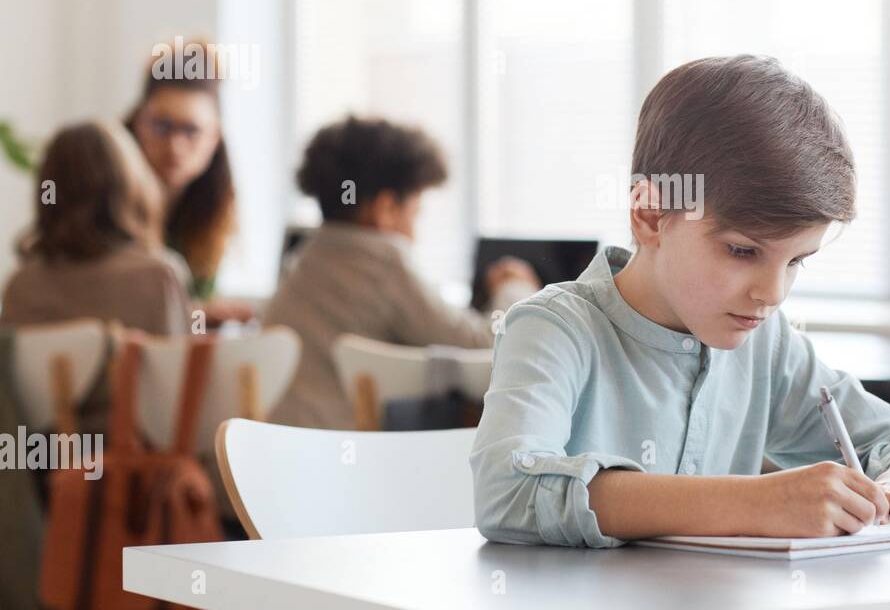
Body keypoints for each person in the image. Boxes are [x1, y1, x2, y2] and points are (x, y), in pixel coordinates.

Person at [471, 54, 890, 548]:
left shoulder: (767, 344)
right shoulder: (554, 330)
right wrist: (754, 504)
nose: (772, 293)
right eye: (742, 250)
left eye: (796, 261)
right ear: (650, 215)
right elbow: (509, 491)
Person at [265, 115, 539, 430]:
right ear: (385, 209)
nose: (415, 233)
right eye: (415, 213)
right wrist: (515, 287)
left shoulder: (304, 257)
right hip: (344, 456)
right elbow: (486, 345)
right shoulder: (380, 262)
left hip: (280, 445)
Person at [2, 120, 191, 436]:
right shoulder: (159, 276)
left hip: (36, 470)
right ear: (128, 188)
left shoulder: (19, 287)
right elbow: (184, 392)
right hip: (134, 470)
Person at [126, 39, 249, 323]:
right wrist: (195, 314)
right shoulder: (101, 195)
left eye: (191, 130)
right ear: (136, 123)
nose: (175, 146)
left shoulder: (212, 209)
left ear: (214, 137)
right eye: (161, 126)